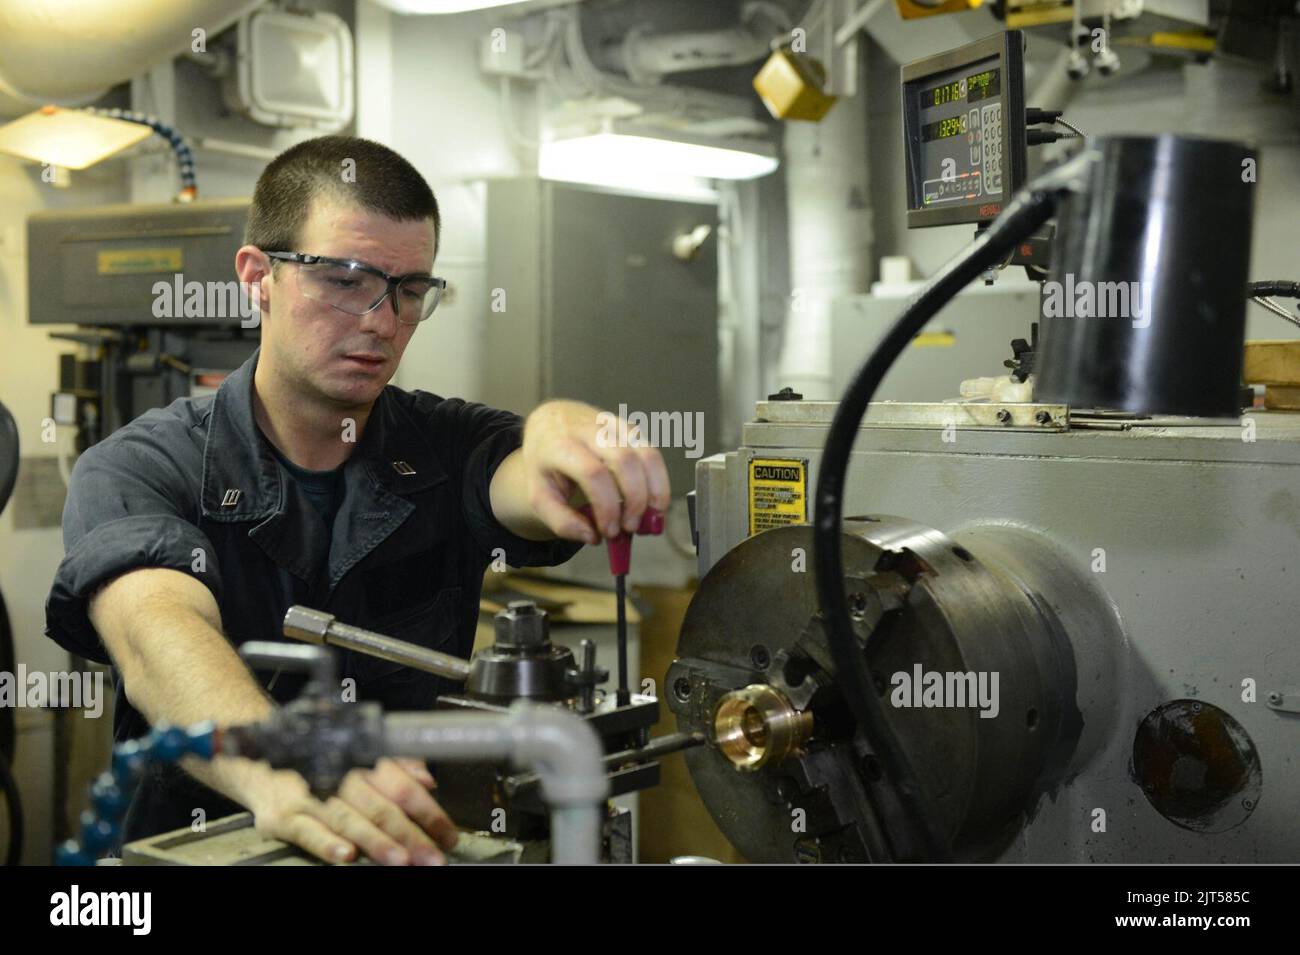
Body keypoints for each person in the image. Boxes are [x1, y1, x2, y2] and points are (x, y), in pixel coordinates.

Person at [44, 135, 670, 865]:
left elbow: (519, 475)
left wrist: (559, 436)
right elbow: (156, 635)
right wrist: (283, 760)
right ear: (258, 276)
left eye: (409, 290)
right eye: (344, 278)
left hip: (399, 846)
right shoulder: (141, 467)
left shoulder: (444, 443)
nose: (381, 320)